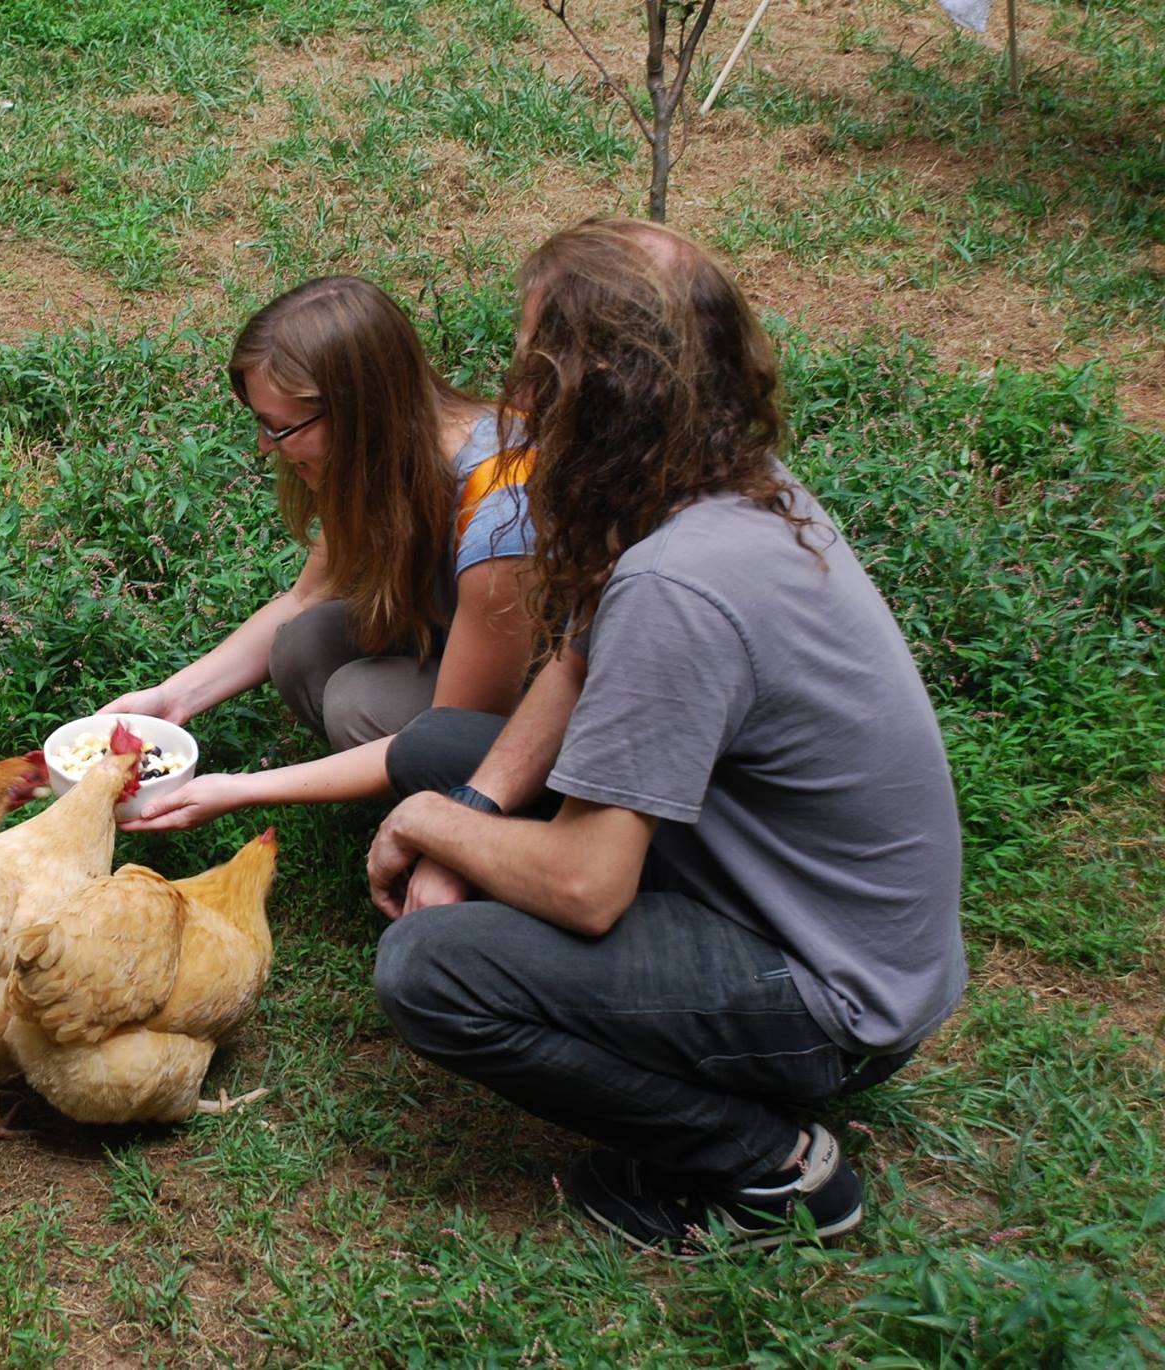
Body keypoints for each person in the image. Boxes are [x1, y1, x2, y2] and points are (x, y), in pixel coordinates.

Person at [367, 219, 966, 1257]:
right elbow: (582, 652)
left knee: (430, 968)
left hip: (828, 991)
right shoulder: (713, 478)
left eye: (527, 365)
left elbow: (587, 884)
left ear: (585, 385)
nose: (512, 396)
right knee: (443, 753)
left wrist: (433, 829)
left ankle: (768, 1166)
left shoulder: (681, 583)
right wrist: (466, 808)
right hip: (805, 904)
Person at [105, 276, 540, 831]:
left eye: (280, 427)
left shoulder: (502, 507)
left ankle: (472, 828)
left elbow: (450, 731)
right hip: (463, 643)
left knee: (359, 701)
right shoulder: (374, 459)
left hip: (542, 727)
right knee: (304, 644)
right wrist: (172, 700)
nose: (266, 447)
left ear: (361, 415)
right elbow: (304, 599)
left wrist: (247, 790)